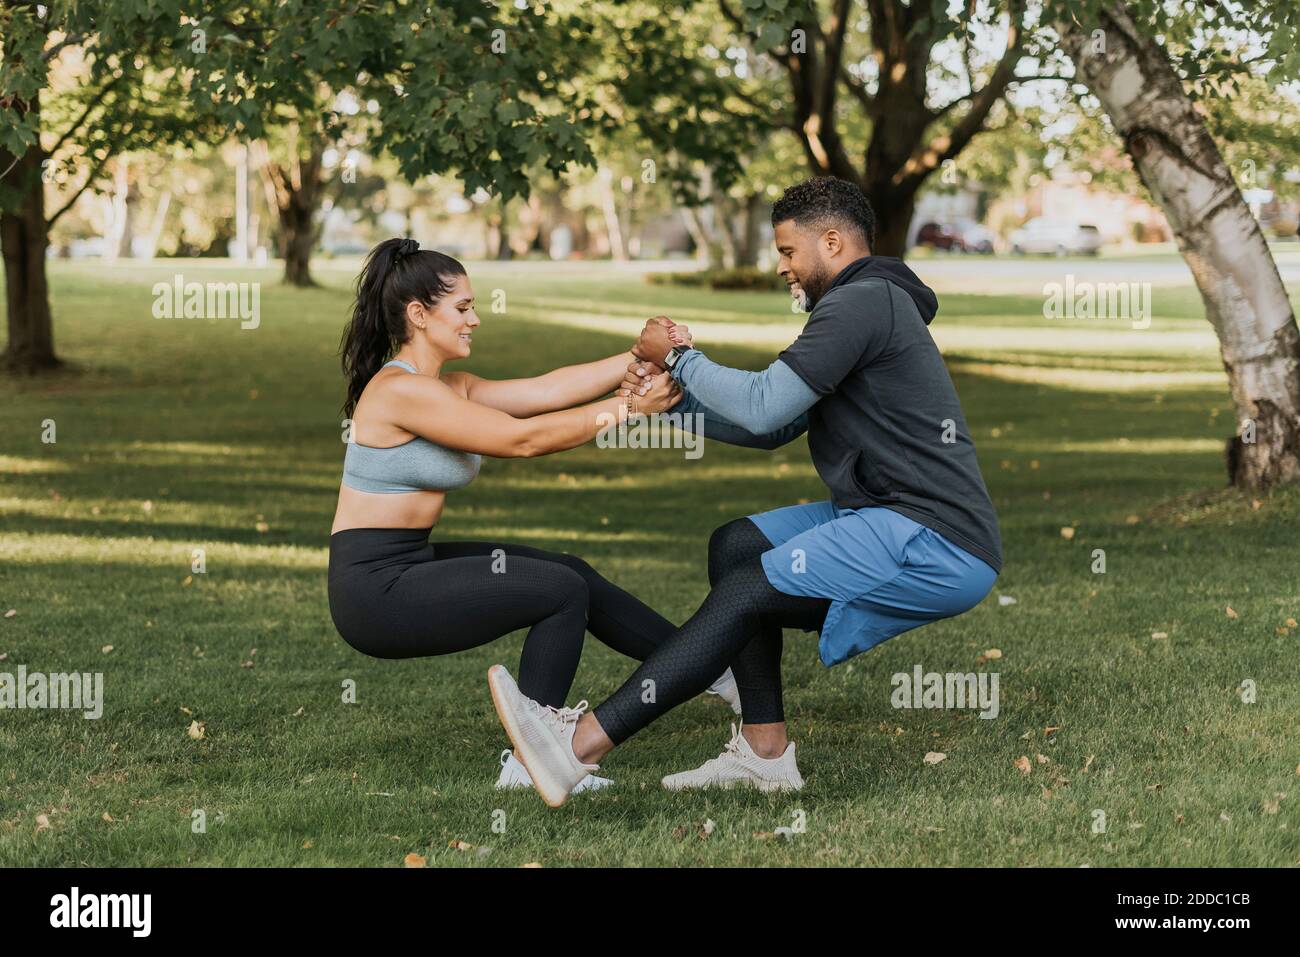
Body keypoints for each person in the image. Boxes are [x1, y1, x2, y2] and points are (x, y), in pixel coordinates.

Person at [486, 177, 1003, 807]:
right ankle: (765, 756)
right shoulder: (859, 304)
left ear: (832, 241)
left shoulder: (863, 302)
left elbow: (762, 406)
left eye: (788, 251)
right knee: (737, 546)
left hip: (935, 537)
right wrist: (671, 406)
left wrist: (677, 358)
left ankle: (574, 749)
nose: (781, 267)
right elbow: (776, 425)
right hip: (886, 514)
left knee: (749, 588)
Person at [327, 237, 738, 795]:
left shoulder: (447, 387)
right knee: (558, 589)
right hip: (374, 591)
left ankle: (709, 667)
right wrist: (628, 407)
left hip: (404, 561)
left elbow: (545, 391)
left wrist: (641, 355)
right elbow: (521, 440)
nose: (475, 320)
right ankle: (531, 763)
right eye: (463, 308)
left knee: (574, 571)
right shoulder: (402, 392)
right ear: (419, 315)